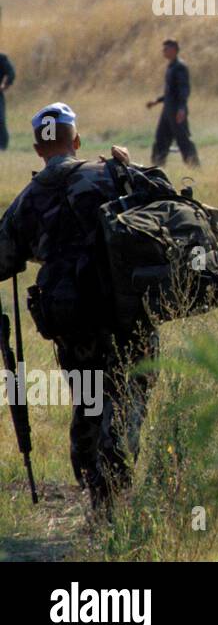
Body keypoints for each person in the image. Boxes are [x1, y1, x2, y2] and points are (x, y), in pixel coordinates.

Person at [0, 103, 158, 514]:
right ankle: (111, 495)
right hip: (128, 314)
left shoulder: (28, 200)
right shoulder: (111, 175)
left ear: (38, 148)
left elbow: (2, 260)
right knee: (125, 398)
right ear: (78, 142)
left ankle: (94, 492)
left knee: (89, 401)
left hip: (74, 322)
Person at [146, 39, 200, 168]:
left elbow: (183, 90)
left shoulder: (180, 67)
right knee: (160, 140)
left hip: (176, 111)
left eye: (166, 49)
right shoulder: (171, 67)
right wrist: (157, 101)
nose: (163, 51)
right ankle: (156, 168)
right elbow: (170, 92)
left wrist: (181, 108)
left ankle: (194, 166)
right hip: (167, 111)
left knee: (183, 140)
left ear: (174, 50)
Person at [0, 51, 14, 151]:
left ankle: (2, 146)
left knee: (0, 120)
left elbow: (11, 73)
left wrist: (5, 84)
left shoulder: (1, 59)